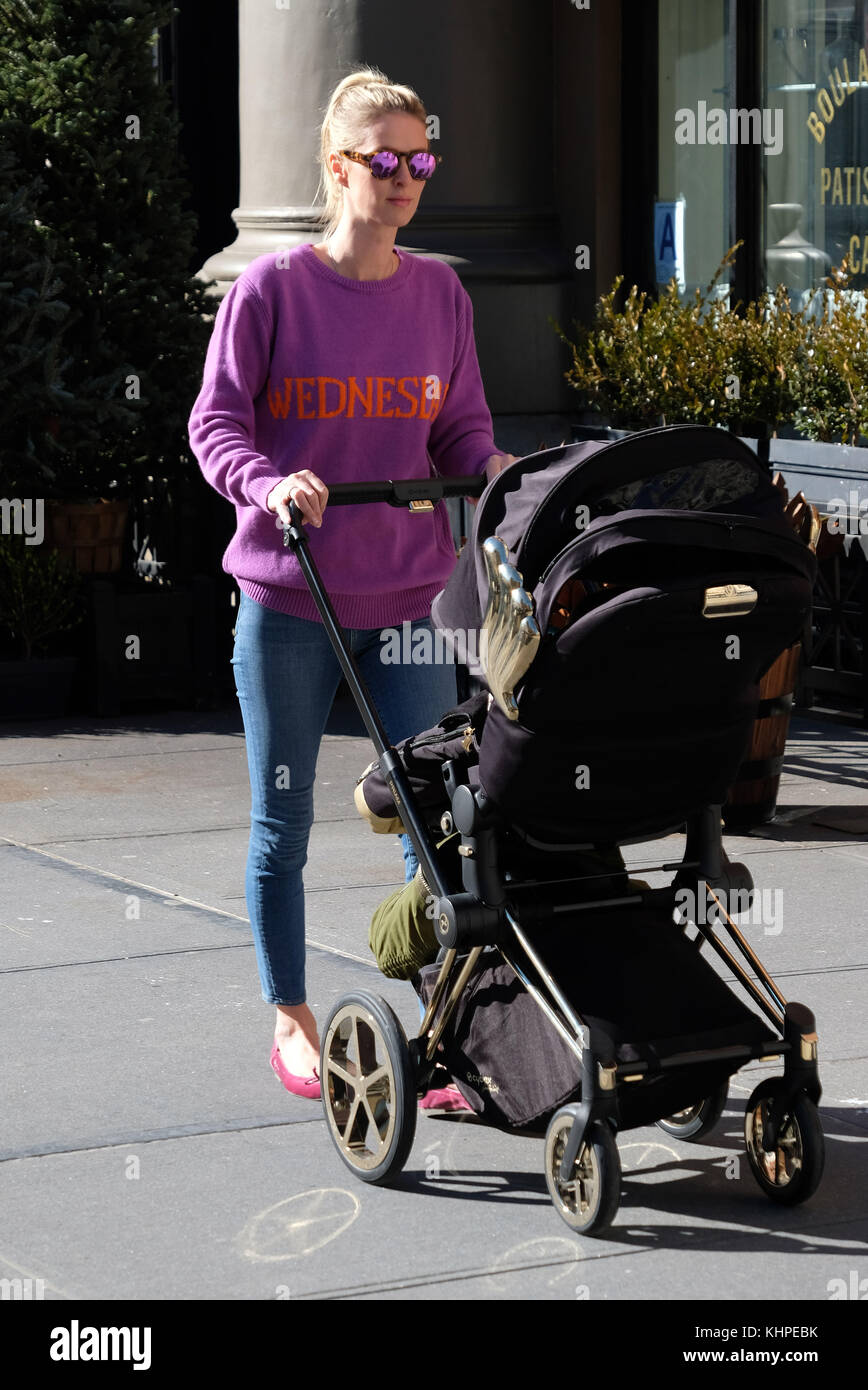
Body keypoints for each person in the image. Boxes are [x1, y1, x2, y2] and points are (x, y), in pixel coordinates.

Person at [188, 65, 515, 1100]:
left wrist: (493, 469)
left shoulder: (439, 293)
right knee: (283, 820)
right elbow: (215, 425)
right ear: (338, 168)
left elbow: (457, 423)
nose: (408, 175)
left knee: (436, 822)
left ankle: (442, 1031)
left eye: (421, 157)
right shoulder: (271, 291)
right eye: (386, 159)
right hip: (291, 600)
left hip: (410, 600)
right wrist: (267, 480)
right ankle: (290, 1016)